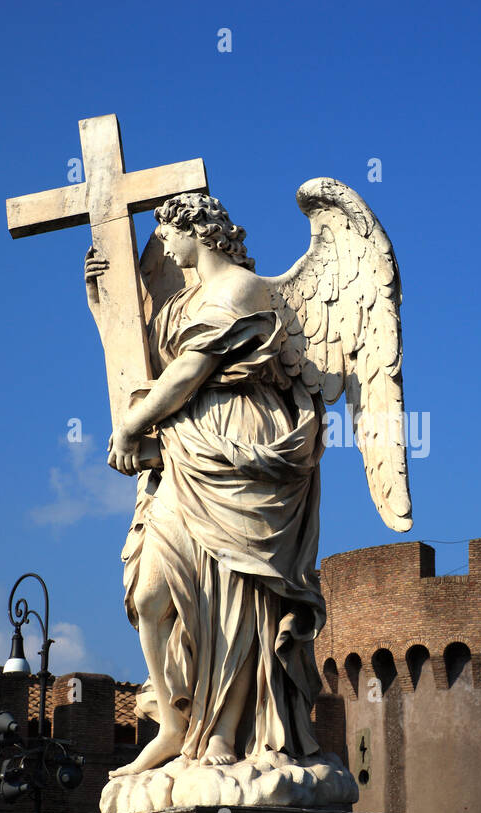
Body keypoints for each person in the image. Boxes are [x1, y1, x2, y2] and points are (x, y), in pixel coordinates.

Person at [83, 194, 326, 775]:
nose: (163, 246)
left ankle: (220, 733)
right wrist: (103, 304)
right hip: (184, 450)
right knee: (149, 595)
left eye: (167, 233)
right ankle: (173, 724)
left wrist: (133, 424)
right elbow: (149, 362)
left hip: (237, 443)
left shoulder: (242, 289)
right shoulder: (187, 300)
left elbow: (190, 369)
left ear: (197, 229)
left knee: (235, 594)